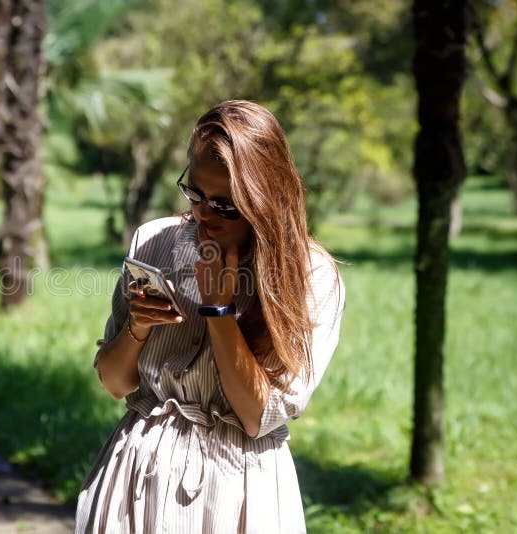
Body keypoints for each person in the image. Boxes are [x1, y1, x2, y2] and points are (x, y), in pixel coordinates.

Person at [75, 100, 345, 533]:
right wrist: (138, 327)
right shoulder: (152, 242)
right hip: (136, 481)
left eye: (224, 205)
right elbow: (114, 383)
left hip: (238, 492)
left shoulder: (311, 277)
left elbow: (259, 418)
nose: (203, 214)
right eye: (196, 194)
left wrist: (219, 311)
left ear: (264, 200)